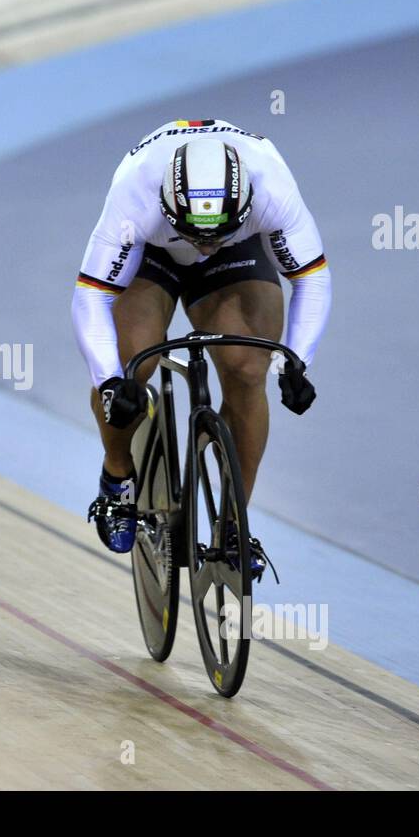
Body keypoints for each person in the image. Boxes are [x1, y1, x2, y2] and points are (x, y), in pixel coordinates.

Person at [73, 119, 329, 574]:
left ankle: (233, 524)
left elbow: (311, 276)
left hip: (241, 249)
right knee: (133, 365)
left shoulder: (271, 184)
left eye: (215, 235)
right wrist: (111, 381)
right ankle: (117, 476)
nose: (206, 247)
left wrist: (296, 360)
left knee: (249, 370)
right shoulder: (136, 194)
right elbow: (92, 293)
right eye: (197, 235)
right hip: (152, 253)